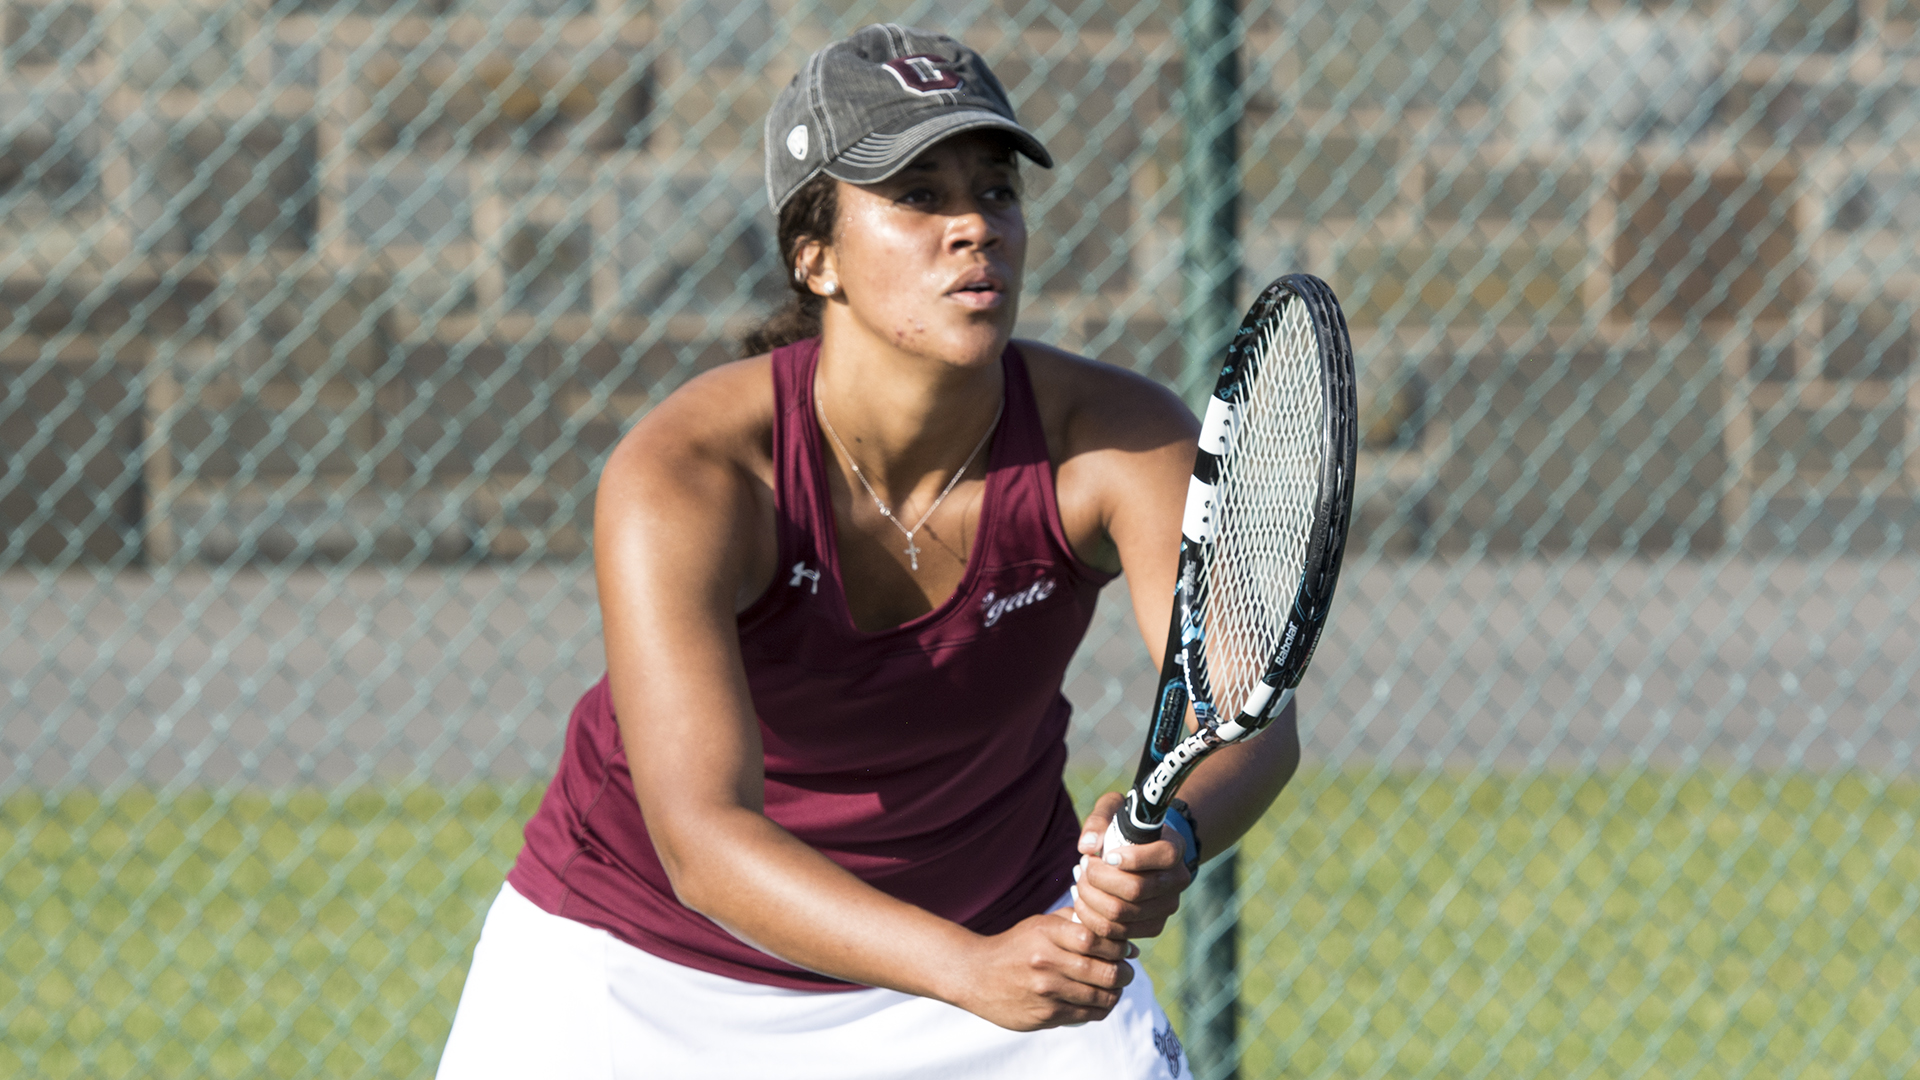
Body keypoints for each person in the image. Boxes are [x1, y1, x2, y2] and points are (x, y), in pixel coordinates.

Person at [436, 24, 1299, 1079]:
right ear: (816, 256)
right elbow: (702, 840)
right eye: (918, 196)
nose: (973, 227)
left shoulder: (1119, 438)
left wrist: (1180, 839)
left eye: (994, 191)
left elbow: (1252, 715)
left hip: (1006, 939)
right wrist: (965, 971)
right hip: (645, 963)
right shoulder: (689, 473)